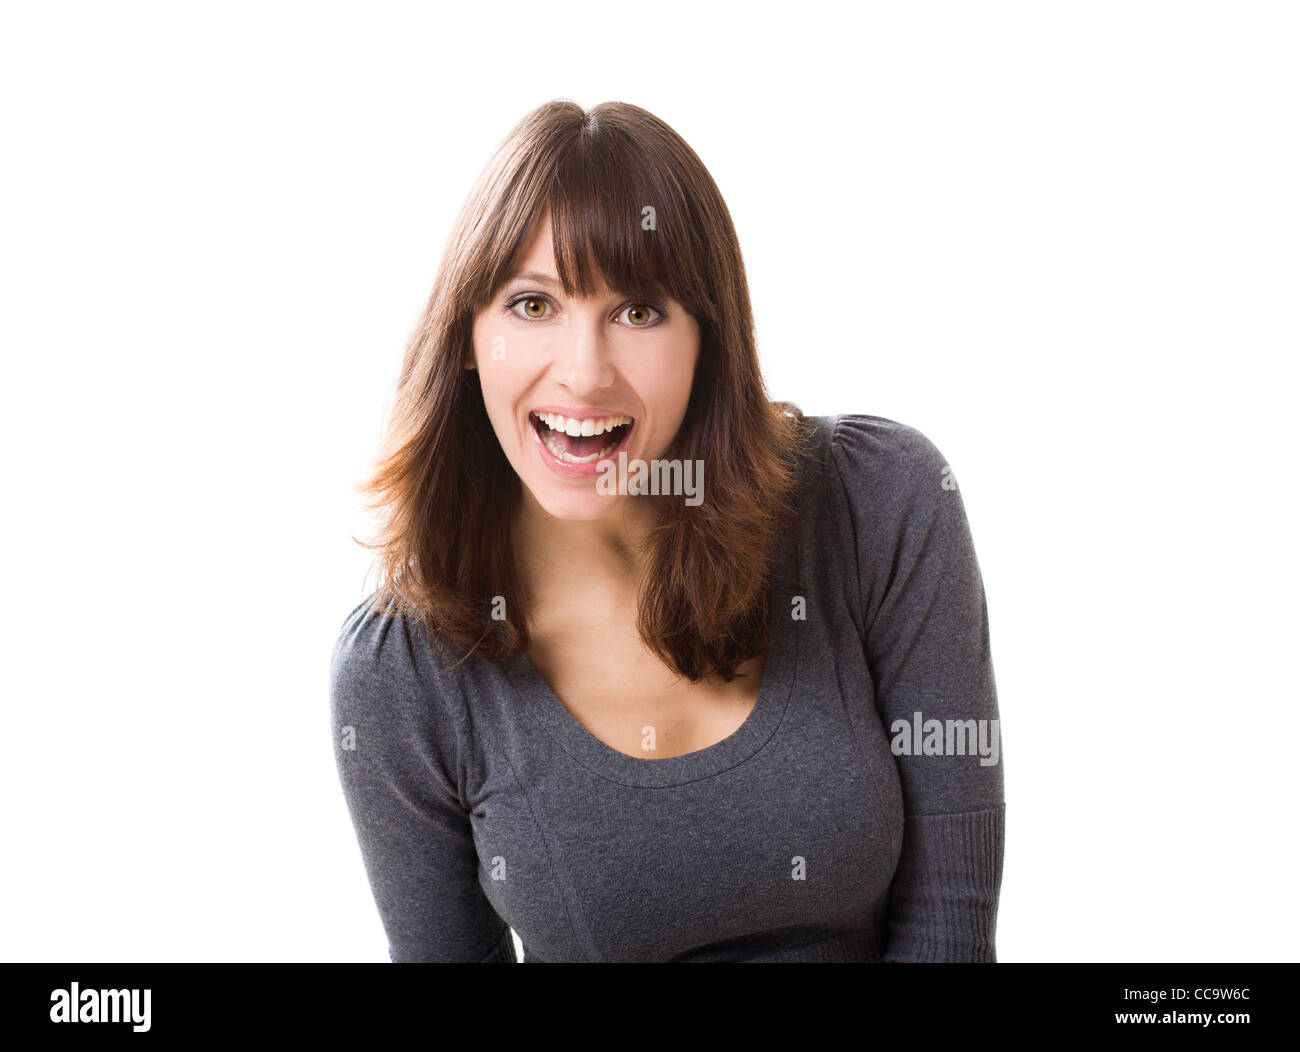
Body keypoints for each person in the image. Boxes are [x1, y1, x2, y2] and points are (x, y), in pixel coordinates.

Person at [329, 98, 1005, 962]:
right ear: (467, 338)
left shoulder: (878, 500)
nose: (583, 372)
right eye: (532, 305)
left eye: (639, 310)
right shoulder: (404, 670)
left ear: (706, 340)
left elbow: (950, 916)